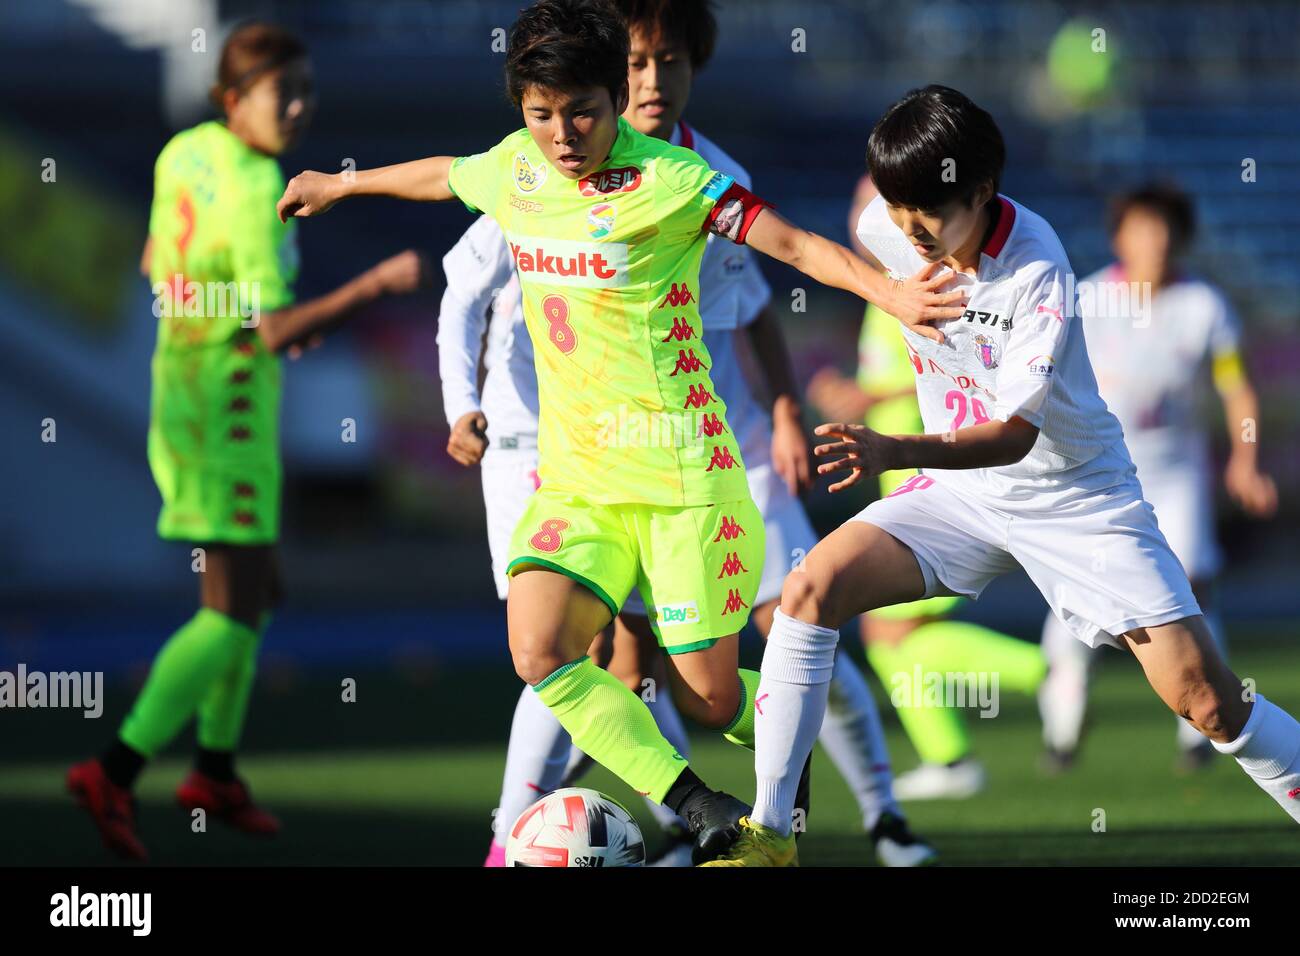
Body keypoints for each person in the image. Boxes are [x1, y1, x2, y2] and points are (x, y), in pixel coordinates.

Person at [276, 0, 963, 862]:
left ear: (613, 96)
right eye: (540, 115)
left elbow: (789, 243)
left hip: (684, 480)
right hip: (580, 484)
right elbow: (446, 172)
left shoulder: (673, 180)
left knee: (709, 698)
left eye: (581, 113)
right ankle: (696, 803)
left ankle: (779, 722)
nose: (561, 134)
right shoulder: (518, 170)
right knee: (541, 652)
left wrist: (892, 294)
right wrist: (340, 185)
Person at [709, 85, 1300, 866]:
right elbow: (836, 249)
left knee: (1207, 703)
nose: (908, 230)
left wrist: (895, 449)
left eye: (926, 214)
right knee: (809, 591)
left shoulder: (1039, 272)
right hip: (960, 494)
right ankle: (771, 836)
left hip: (1075, 498)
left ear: (981, 193)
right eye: (896, 207)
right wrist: (885, 290)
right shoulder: (886, 227)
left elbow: (1016, 435)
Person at [67, 21, 428, 861]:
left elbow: (161, 262)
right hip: (228, 411)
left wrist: (239, 314)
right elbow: (269, 331)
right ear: (234, 98)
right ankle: (112, 771)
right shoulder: (260, 187)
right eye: (281, 93)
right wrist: (373, 283)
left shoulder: (182, 152)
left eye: (306, 89)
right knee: (232, 616)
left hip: (183, 389)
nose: (299, 107)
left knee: (255, 595)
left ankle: (217, 772)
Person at [805, 174, 1046, 801]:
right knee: (891, 636)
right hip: (902, 471)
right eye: (865, 206)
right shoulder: (882, 293)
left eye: (880, 207)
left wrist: (869, 397)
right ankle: (974, 734)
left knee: (885, 632)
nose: (870, 221)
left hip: (932, 473)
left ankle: (1029, 684)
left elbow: (959, 367)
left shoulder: (927, 284)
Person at [1038, 183, 1279, 771]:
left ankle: (1204, 730)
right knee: (1081, 592)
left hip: (1176, 470)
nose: (1156, 241)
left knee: (1190, 589)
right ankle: (1063, 725)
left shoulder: (1204, 306)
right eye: (1143, 228)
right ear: (1120, 236)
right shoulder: (1087, 298)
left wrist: (1246, 458)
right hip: (1098, 469)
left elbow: (1236, 387)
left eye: (1167, 229)